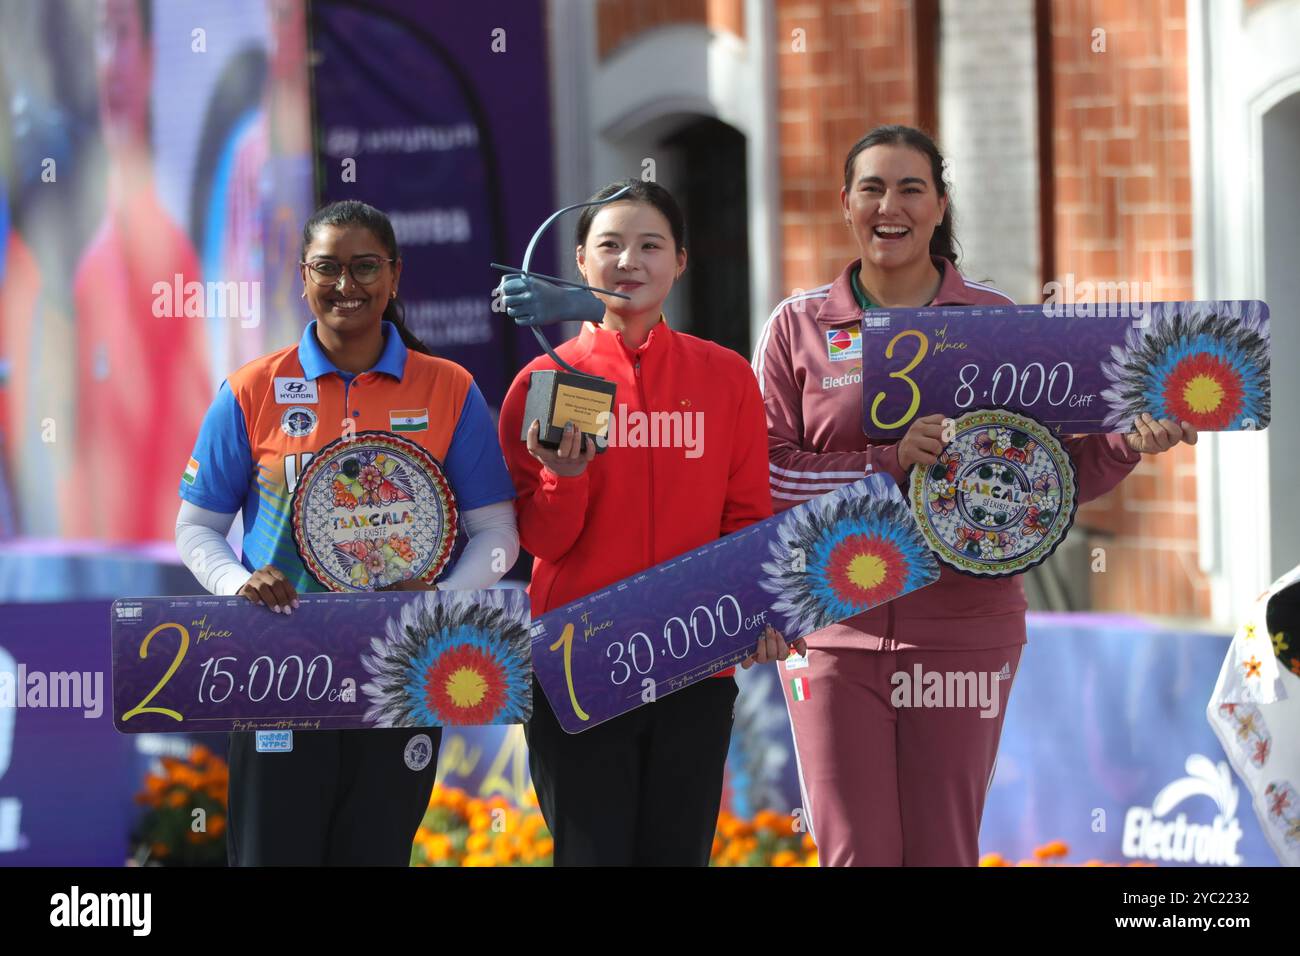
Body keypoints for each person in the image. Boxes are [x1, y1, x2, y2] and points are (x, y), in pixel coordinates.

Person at [753, 124, 1197, 866]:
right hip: (830, 632)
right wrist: (889, 461)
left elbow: (1056, 477)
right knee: (854, 853)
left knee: (942, 852)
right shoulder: (797, 326)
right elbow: (766, 475)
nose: (889, 205)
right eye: (871, 187)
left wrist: (1129, 440)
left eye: (910, 188)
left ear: (940, 205)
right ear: (845, 204)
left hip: (964, 632)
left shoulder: (998, 325)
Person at [175, 200, 519, 866]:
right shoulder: (253, 390)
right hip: (278, 666)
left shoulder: (448, 388)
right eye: (327, 268)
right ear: (303, 279)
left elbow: (498, 533)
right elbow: (197, 527)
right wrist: (241, 582)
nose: (346, 285)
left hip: (398, 665)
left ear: (394, 276)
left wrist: (440, 596)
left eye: (365, 267)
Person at [497, 179, 799, 866]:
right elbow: (538, 542)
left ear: (680, 262)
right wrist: (564, 479)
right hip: (577, 663)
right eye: (610, 245)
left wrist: (758, 612)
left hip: (695, 663)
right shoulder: (552, 379)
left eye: (649, 245)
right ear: (579, 261)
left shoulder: (724, 378)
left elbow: (747, 518)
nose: (629, 260)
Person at [69, 0, 210, 541]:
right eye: (98, 36)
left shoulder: (177, 255)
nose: (108, 60)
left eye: (120, 34)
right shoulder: (85, 267)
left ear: (149, 60)